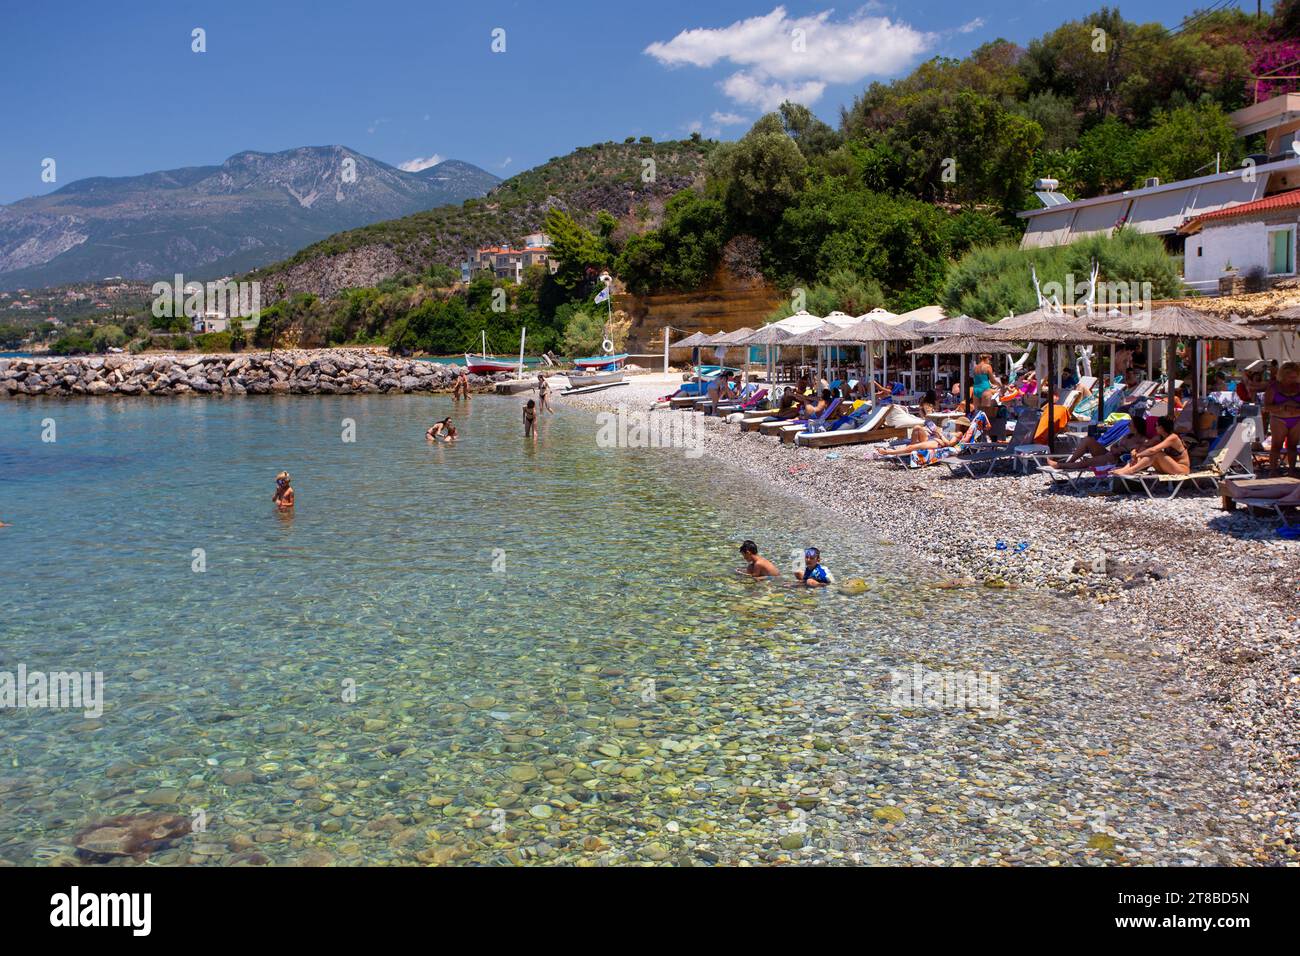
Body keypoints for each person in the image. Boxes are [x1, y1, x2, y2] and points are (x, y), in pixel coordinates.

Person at [1045, 414, 1152, 471]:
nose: (1128, 426)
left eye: (1130, 424)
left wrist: (1123, 451)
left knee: (1086, 463)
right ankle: (1070, 461)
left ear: (1137, 427)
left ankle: (1060, 466)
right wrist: (1115, 449)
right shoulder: (1128, 435)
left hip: (1116, 461)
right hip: (1109, 454)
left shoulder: (1143, 440)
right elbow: (1114, 445)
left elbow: (1138, 455)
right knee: (1088, 440)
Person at [1112, 416, 1190, 477]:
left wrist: (1138, 455)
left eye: (1156, 425)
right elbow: (1145, 445)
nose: (1155, 427)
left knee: (1156, 453)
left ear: (1162, 427)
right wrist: (1135, 451)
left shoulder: (1173, 437)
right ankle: (1125, 469)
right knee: (1144, 449)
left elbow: (1153, 450)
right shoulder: (1159, 437)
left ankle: (1130, 471)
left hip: (1181, 469)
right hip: (1168, 467)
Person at [1263, 361, 1300, 475]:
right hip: (1279, 419)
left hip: (1297, 419)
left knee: (1293, 446)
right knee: (1276, 446)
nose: (1293, 379)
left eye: (1295, 376)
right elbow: (1266, 407)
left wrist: (1296, 410)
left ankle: (1292, 470)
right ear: (1283, 376)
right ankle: (1273, 470)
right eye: (1290, 377)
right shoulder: (1273, 388)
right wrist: (1281, 407)